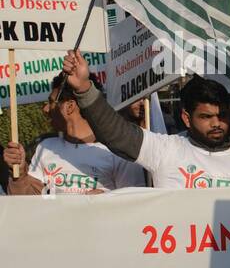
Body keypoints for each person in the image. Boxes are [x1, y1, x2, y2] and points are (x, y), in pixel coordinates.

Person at [62, 51, 230, 188]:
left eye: (222, 116)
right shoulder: (166, 149)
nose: (216, 124)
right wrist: (84, 89)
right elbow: (116, 134)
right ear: (186, 118)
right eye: (206, 117)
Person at [3, 75, 146, 195]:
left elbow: (135, 203)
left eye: (51, 102)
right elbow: (28, 203)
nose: (45, 109)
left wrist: (106, 199)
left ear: (70, 107)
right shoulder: (45, 147)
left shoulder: (120, 151)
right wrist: (20, 173)